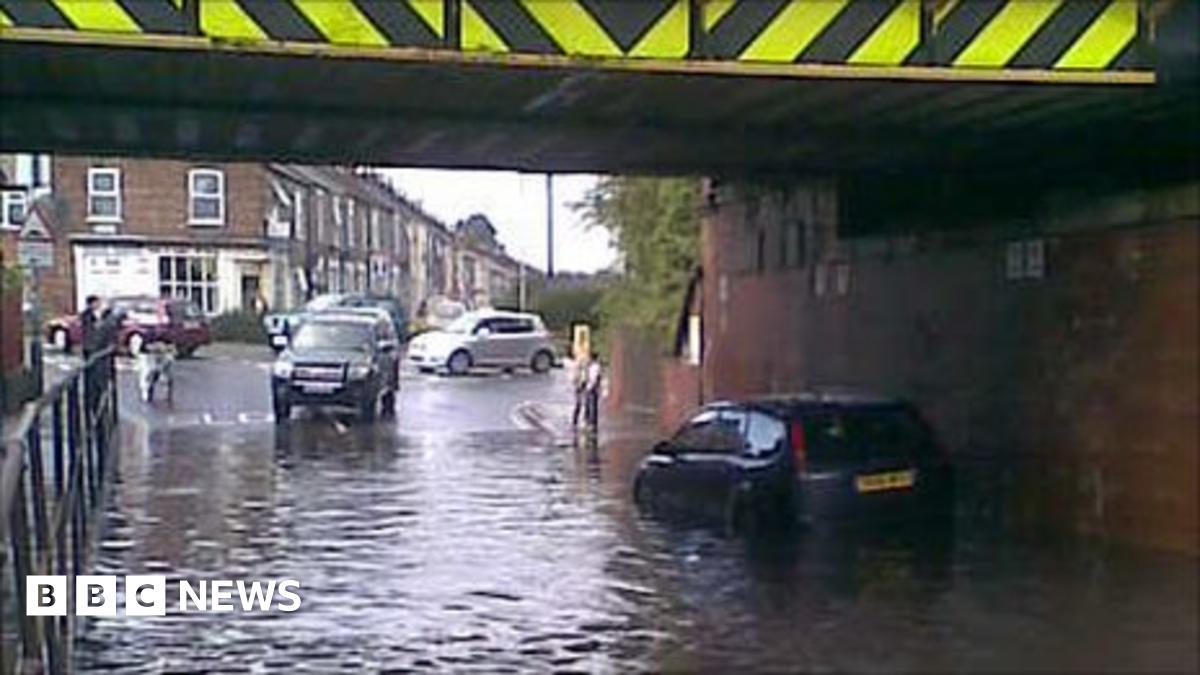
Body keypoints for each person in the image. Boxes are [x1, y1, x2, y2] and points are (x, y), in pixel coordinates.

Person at [583, 351, 603, 436]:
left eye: (589, 358)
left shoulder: (596, 367)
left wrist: (591, 387)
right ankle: (588, 422)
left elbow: (595, 379)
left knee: (592, 406)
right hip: (589, 387)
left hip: (592, 388)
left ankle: (592, 424)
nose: (588, 359)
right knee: (588, 405)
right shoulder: (590, 366)